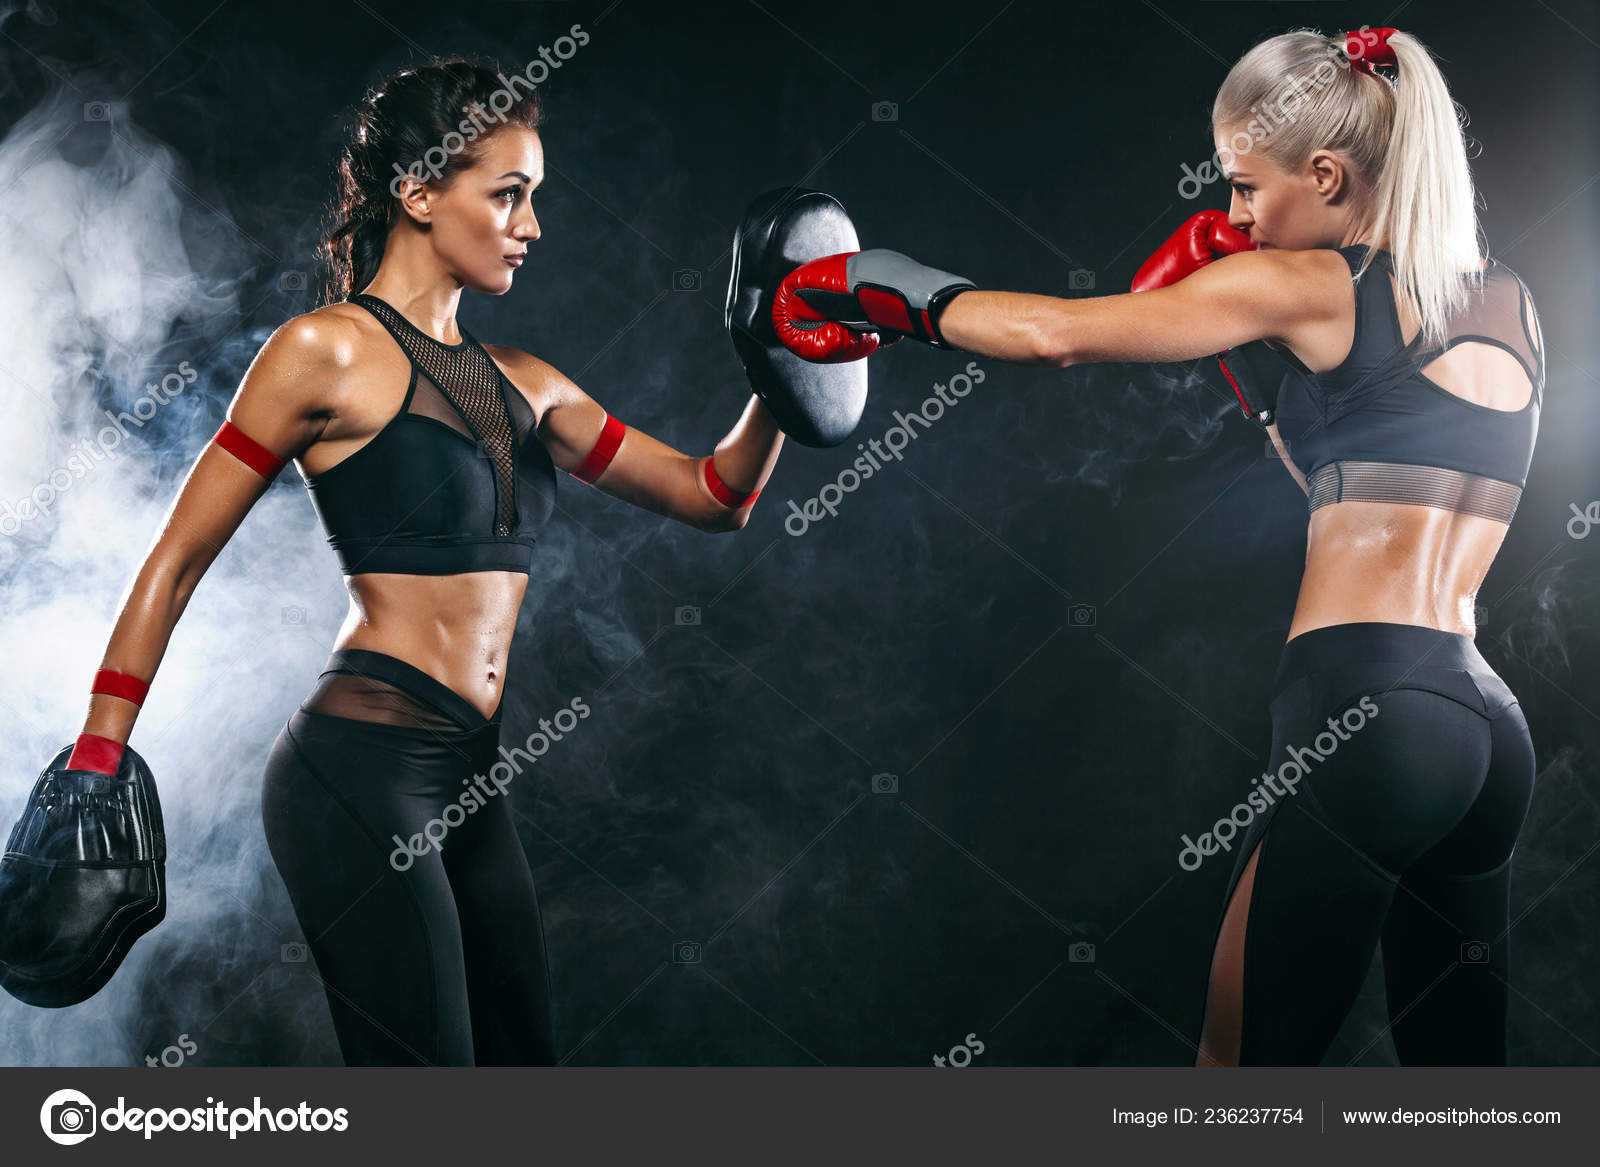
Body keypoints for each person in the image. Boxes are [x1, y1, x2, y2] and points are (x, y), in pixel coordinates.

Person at [772, 27, 1544, 1066]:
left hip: (1368, 714)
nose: (1230, 216)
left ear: (1324, 175)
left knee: (1235, 1077)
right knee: (1464, 1090)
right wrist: (1270, 387)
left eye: (1243, 186)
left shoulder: (1308, 284)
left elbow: (1057, 333)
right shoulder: (1505, 302)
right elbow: (1361, 484)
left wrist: (874, 281)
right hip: (1484, 727)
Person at [61, 57, 787, 1065]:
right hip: (355, 771)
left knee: (520, 1073)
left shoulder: (529, 385)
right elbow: (176, 560)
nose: (532, 225)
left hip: (473, 775)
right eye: (508, 195)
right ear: (418, 193)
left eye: (534, 198)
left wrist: (785, 367)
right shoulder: (323, 351)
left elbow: (715, 498)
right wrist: (99, 752)